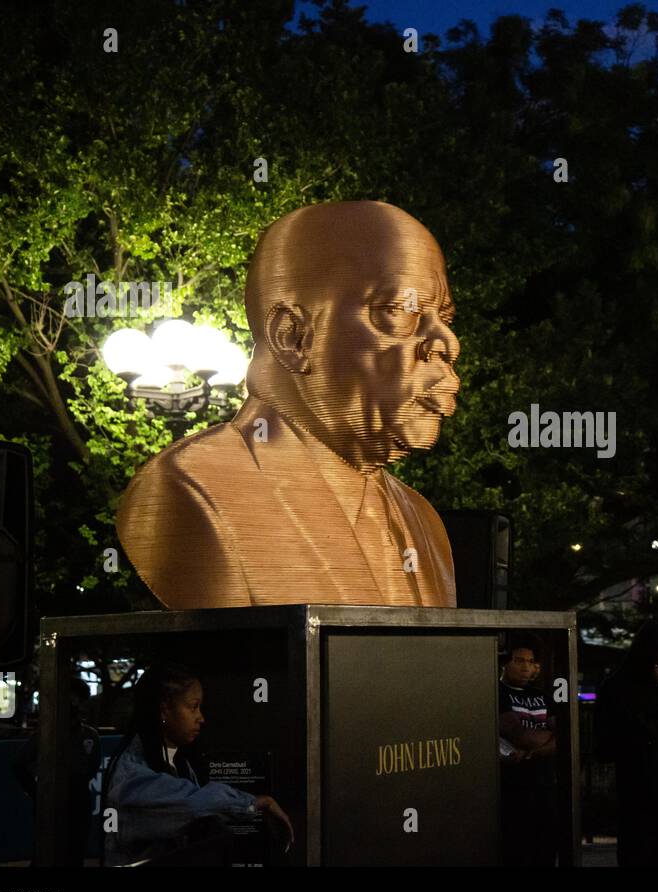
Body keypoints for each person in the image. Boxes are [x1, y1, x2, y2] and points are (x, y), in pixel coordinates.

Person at [117, 201, 461, 609]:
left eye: (445, 318)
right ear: (292, 337)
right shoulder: (191, 489)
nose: (446, 344)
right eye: (396, 312)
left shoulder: (423, 520)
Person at [103, 663, 293, 866]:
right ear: (164, 709)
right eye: (193, 707)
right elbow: (189, 802)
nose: (200, 718)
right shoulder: (131, 771)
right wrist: (254, 802)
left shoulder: (180, 762)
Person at [596, 622, 658, 867]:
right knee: (640, 852)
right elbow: (606, 742)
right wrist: (656, 727)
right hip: (637, 789)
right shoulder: (617, 688)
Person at [13, 678, 101, 866]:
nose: (75, 705)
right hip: (51, 802)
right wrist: (38, 793)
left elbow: (92, 767)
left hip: (79, 803)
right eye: (70, 699)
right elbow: (18, 764)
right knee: (46, 854)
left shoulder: (90, 736)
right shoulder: (46, 734)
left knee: (75, 854)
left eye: (78, 700)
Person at [498, 636, 557, 867]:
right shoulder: (498, 692)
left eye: (530, 662)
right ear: (506, 663)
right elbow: (519, 734)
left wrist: (534, 751)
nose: (526, 667)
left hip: (543, 784)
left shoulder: (541, 695)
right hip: (513, 787)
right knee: (518, 850)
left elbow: (563, 737)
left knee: (544, 849)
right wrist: (546, 739)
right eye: (519, 661)